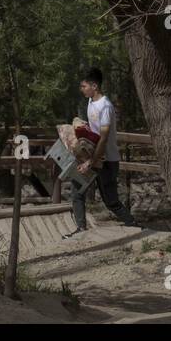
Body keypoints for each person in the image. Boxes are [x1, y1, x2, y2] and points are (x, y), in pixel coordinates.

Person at [65, 66, 137, 237]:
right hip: (90, 156)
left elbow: (103, 139)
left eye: (84, 86)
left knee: (110, 201)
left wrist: (90, 163)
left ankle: (133, 225)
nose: (82, 89)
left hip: (107, 161)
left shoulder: (106, 107)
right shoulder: (90, 102)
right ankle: (81, 230)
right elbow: (95, 133)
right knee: (77, 192)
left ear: (94, 86)